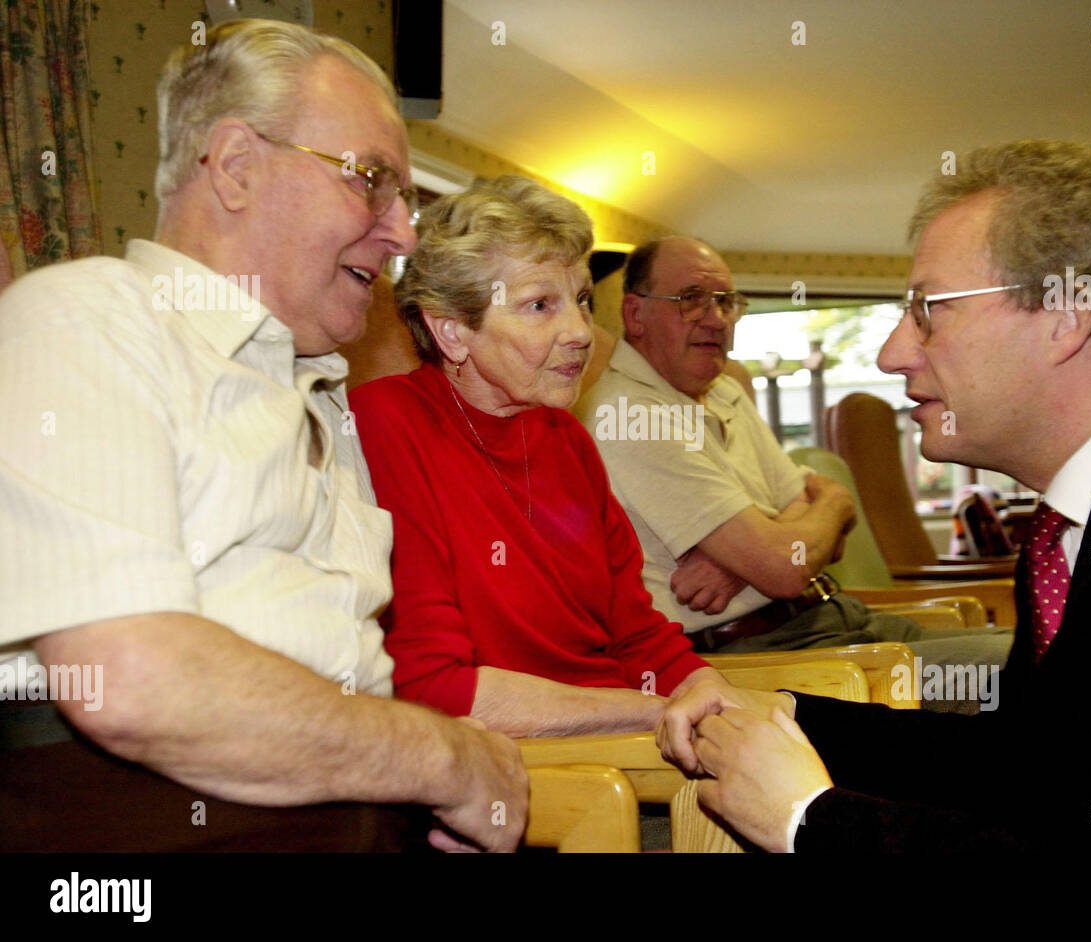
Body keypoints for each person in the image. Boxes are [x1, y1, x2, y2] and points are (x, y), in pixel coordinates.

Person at [657, 140, 1091, 854]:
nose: (891, 351)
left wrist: (807, 819)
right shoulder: (1087, 516)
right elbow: (1024, 763)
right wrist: (787, 714)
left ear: (1065, 317)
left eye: (928, 309)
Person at [0, 19, 526, 853]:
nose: (404, 233)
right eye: (371, 182)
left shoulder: (319, 393)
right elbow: (130, 680)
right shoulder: (86, 318)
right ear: (237, 166)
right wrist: (447, 759)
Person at [349, 176, 748, 738]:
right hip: (539, 770)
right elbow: (436, 690)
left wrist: (706, 690)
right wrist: (657, 714)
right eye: (540, 305)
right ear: (453, 331)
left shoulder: (564, 436)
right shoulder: (385, 423)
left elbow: (639, 639)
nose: (581, 332)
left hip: (627, 734)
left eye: (582, 300)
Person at [574, 236, 1012, 712]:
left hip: (836, 617)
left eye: (726, 302)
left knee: (1043, 643)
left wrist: (756, 553)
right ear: (635, 315)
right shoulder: (630, 417)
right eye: (691, 299)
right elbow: (785, 569)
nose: (716, 318)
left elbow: (821, 508)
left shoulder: (722, 392)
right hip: (767, 656)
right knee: (1023, 668)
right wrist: (786, 542)